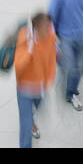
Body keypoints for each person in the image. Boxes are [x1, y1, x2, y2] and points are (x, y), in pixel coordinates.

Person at [14, 12, 58, 148]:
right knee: (25, 125)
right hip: (25, 89)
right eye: (45, 27)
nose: (48, 29)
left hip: (40, 88)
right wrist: (30, 49)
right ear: (37, 28)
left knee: (38, 110)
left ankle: (31, 121)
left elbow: (51, 60)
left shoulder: (51, 37)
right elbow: (18, 66)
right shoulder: (25, 38)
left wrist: (49, 79)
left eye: (49, 26)